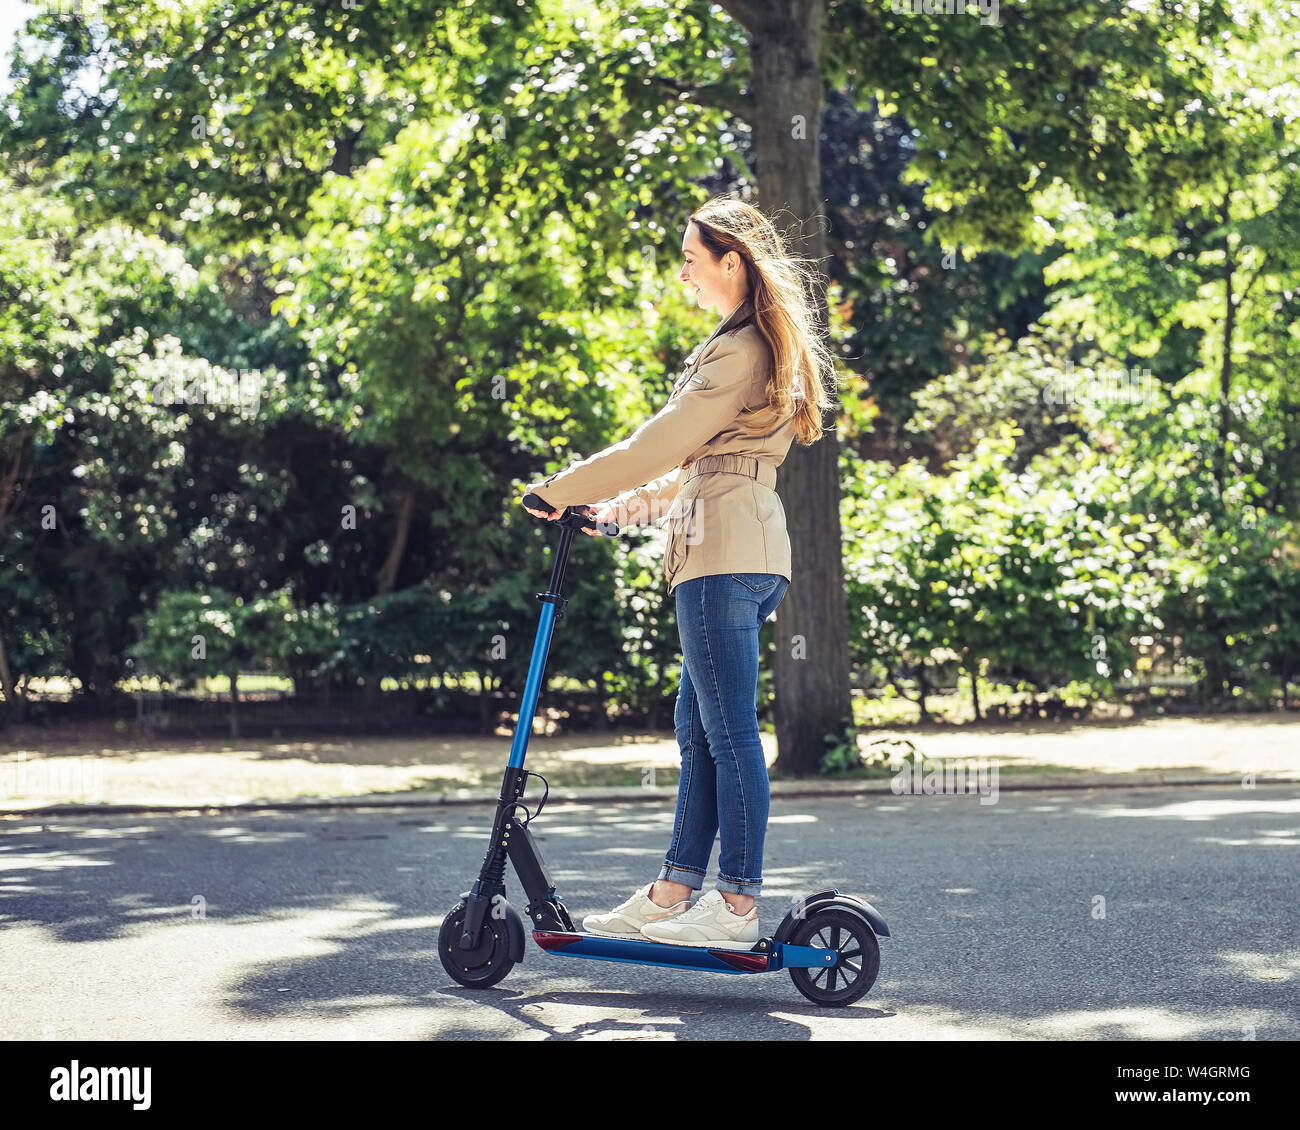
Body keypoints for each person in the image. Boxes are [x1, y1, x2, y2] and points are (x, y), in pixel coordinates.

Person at [522, 196, 838, 947]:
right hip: (737, 550)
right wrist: (611, 513)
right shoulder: (750, 346)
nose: (684, 273)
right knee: (698, 730)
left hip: (722, 559)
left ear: (733, 261)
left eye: (692, 258)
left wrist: (558, 490)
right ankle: (672, 892)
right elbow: (694, 468)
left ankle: (735, 908)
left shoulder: (739, 350)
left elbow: (658, 445)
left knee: (727, 735)